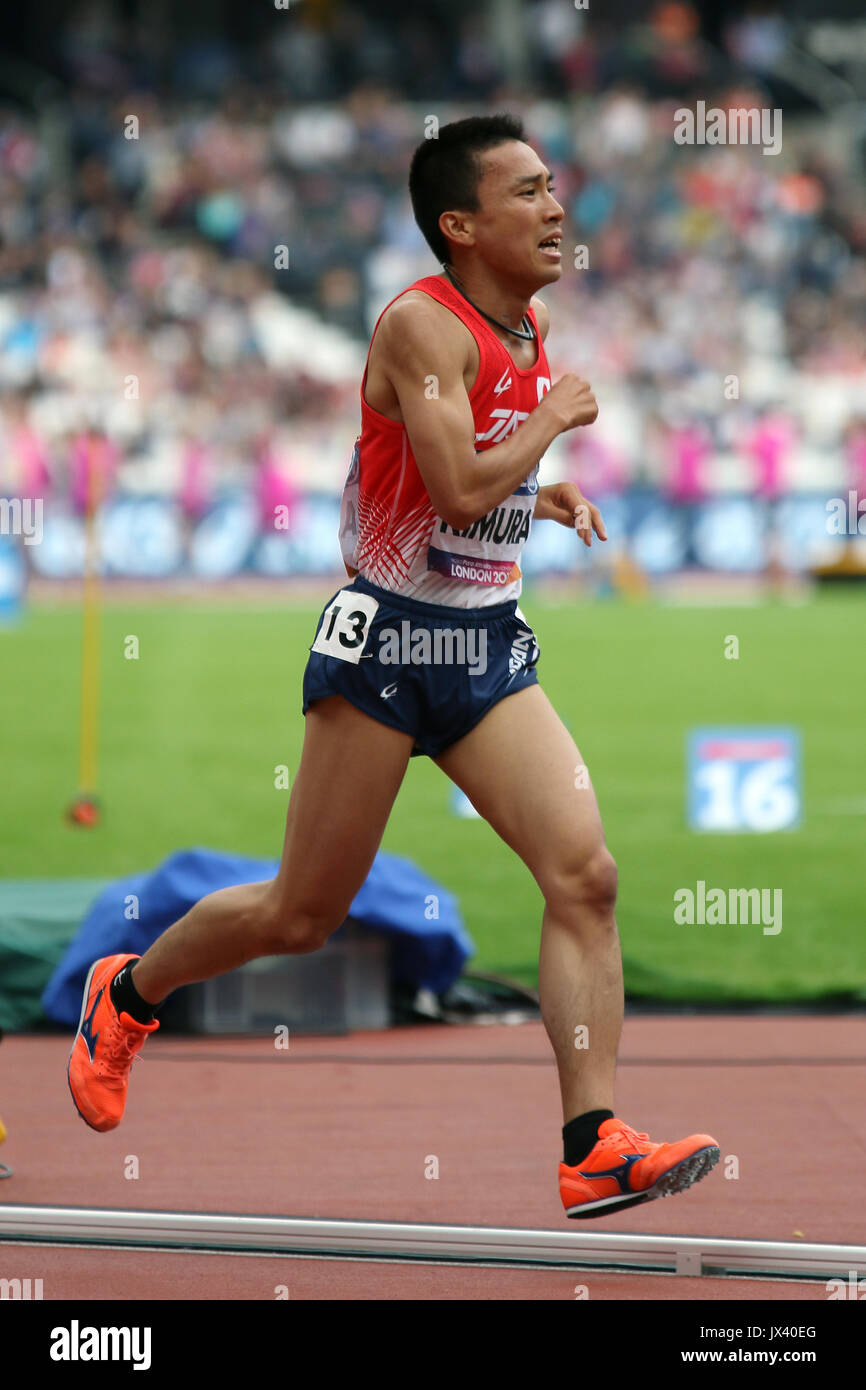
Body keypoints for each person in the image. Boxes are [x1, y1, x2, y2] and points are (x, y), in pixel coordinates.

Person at [68, 113, 719, 1219]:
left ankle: (590, 1142)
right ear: (459, 226)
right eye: (526, 193)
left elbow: (467, 489)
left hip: (481, 646)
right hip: (387, 644)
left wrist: (536, 494)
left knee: (584, 875)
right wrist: (550, 428)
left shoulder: (532, 322)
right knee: (299, 915)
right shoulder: (421, 327)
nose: (556, 208)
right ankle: (125, 993)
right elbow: (456, 488)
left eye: (552, 185)